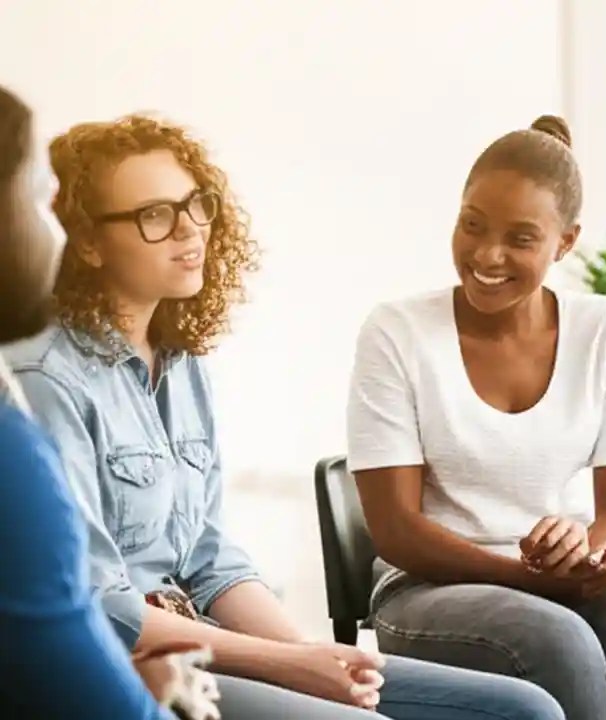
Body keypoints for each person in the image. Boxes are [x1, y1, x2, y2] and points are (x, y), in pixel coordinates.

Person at [4, 113, 563, 720]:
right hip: (138, 662)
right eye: (155, 215)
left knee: (525, 709)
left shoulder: (181, 362)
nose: (189, 230)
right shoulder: (46, 380)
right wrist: (285, 665)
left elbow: (210, 561)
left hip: (208, 640)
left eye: (196, 205)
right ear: (87, 241)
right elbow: (104, 608)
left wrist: (307, 653)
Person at [347, 115, 606, 720]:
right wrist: (528, 578)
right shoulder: (396, 331)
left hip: (563, 582)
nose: (486, 255)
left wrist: (591, 549)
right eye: (472, 225)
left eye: (521, 239)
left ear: (566, 241)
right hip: (426, 588)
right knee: (561, 643)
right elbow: (395, 528)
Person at [0, 85, 178, 719]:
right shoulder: (10, 448)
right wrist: (156, 695)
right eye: (34, 200)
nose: (58, 233)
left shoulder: (182, 360)